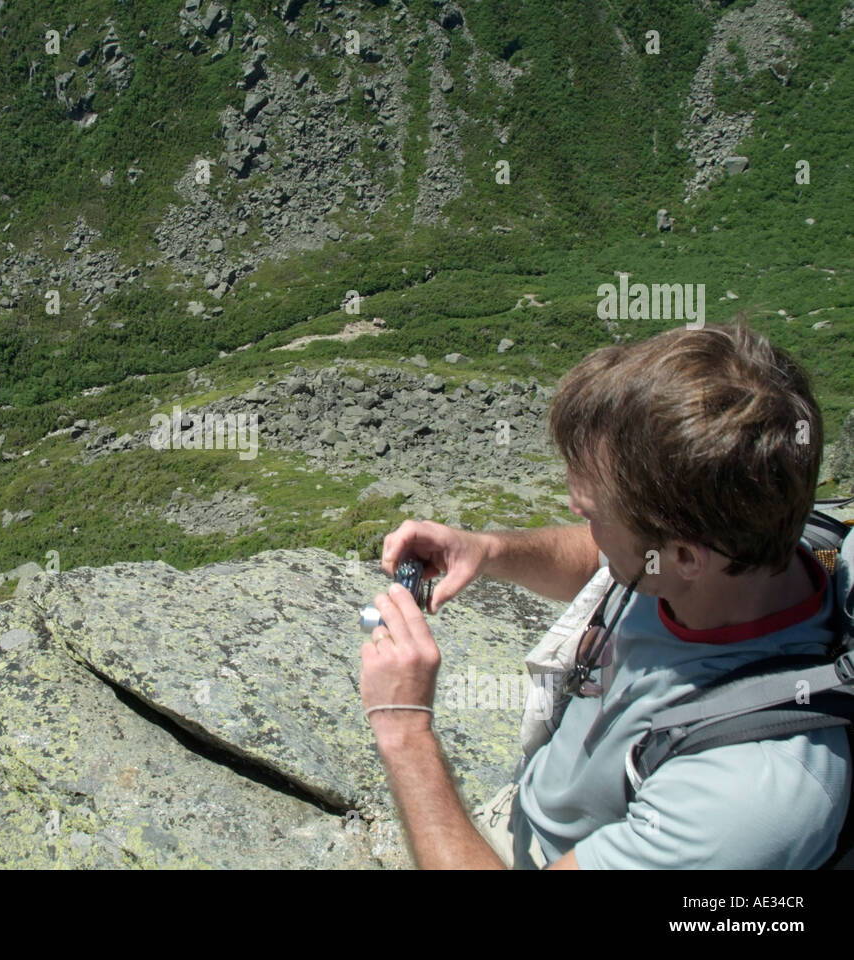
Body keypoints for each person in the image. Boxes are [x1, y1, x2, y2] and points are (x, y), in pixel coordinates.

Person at [360, 321, 852, 868]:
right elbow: (619, 558)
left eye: (594, 514)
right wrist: (491, 550)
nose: (576, 513)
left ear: (686, 556)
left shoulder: (747, 798)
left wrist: (402, 727)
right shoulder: (751, 539)